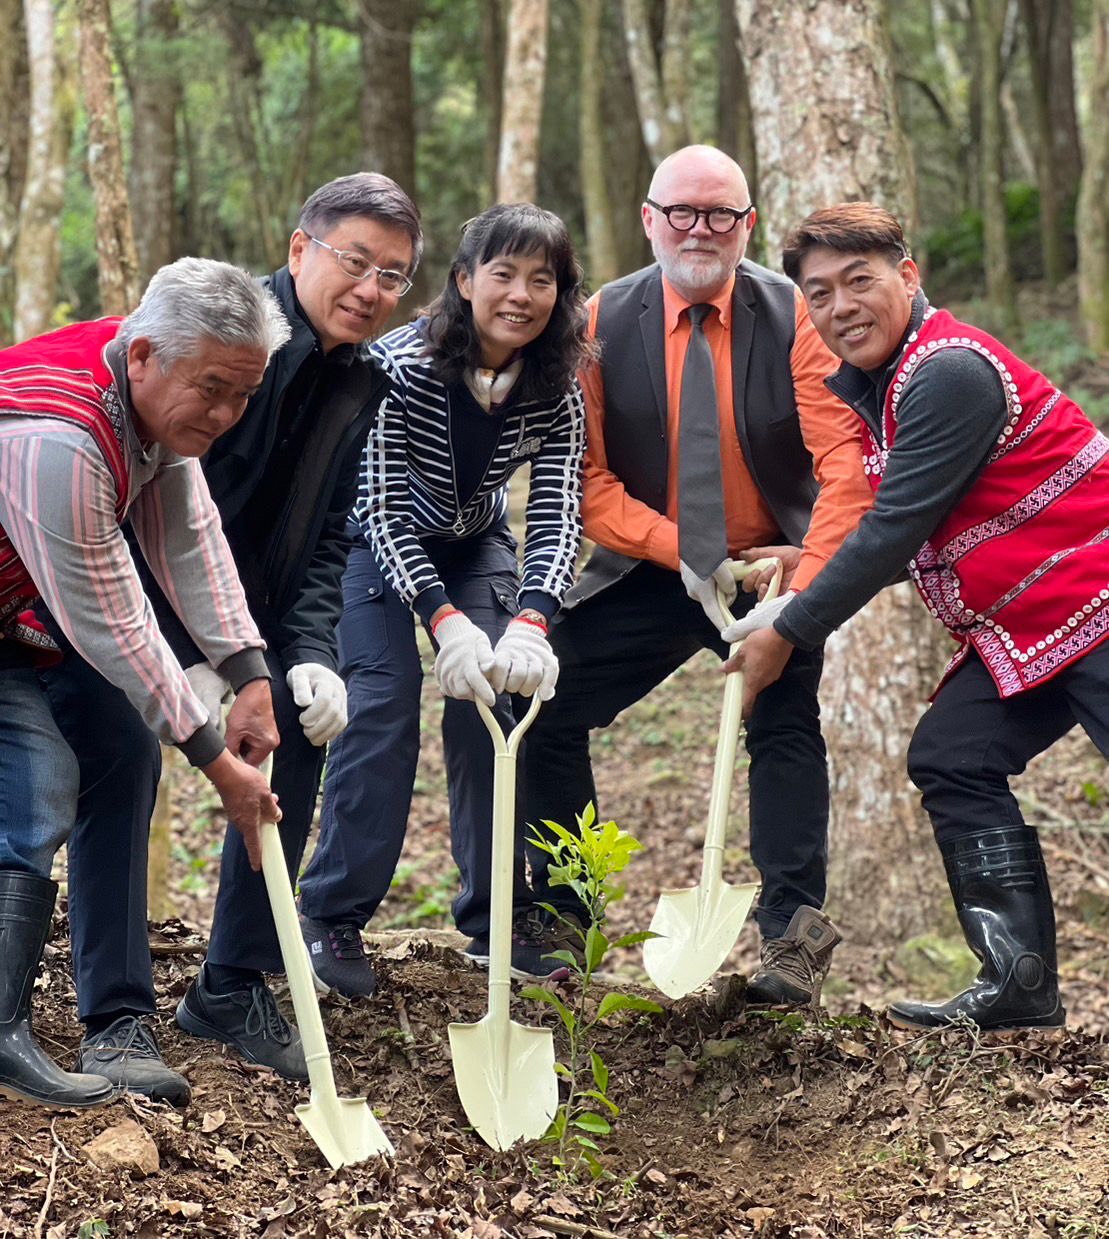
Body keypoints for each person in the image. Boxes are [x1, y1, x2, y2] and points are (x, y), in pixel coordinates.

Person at [44, 173, 422, 1104]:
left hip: (247, 624)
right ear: (299, 250)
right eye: (355, 261)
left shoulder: (361, 382)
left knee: (288, 734)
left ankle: (233, 983)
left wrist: (302, 654)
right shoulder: (221, 344)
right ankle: (116, 1013)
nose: (371, 289)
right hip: (130, 601)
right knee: (121, 757)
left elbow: (329, 533)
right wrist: (184, 657)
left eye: (395, 276)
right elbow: (153, 505)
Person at [730, 201, 1109, 1031]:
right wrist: (808, 564)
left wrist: (785, 630)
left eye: (857, 281)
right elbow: (915, 526)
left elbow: (892, 525)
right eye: (819, 295)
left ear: (908, 275)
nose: (840, 307)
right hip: (1031, 618)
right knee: (953, 753)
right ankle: (1019, 981)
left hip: (1093, 591)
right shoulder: (885, 386)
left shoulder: (946, 371)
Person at [521, 146, 875, 1004]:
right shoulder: (600, 318)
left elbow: (844, 467)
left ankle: (791, 941)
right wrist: (679, 547)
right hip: (655, 560)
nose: (699, 230)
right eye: (680, 211)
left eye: (721, 214)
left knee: (784, 720)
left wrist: (799, 591)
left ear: (746, 225)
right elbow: (584, 480)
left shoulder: (795, 314)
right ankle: (565, 924)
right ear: (649, 218)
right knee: (540, 699)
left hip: (770, 565)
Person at [0, 259, 289, 1109]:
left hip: (25, 612)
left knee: (125, 749)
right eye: (214, 389)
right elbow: (115, 623)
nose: (228, 415)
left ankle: (117, 1022)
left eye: (244, 395)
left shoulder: (155, 406)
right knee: (37, 783)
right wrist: (215, 757)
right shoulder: (56, 437)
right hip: (37, 614)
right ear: (144, 355)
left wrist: (247, 671)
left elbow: (190, 539)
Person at [297, 203, 592, 994]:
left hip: (476, 541)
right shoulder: (397, 366)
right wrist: (443, 620)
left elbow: (560, 510)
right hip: (374, 541)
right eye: (502, 274)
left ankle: (497, 916)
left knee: (495, 702)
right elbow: (383, 507)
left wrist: (533, 618)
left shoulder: (557, 385)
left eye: (542, 280)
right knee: (382, 704)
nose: (520, 295)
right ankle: (330, 914)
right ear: (464, 281)